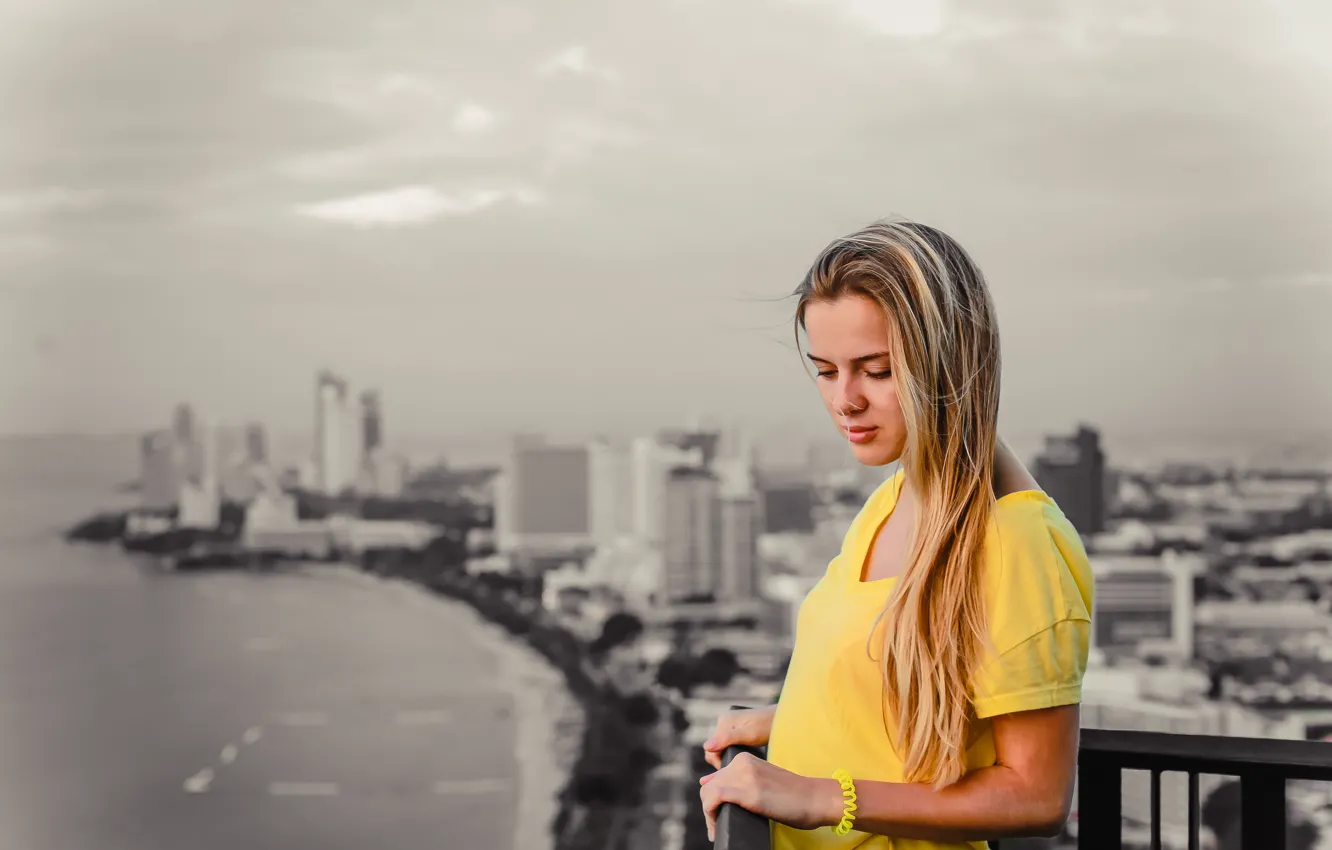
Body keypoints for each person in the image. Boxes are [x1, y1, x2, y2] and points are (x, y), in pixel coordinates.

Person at [698, 219, 1094, 849]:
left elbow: (1036, 795)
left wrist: (812, 795)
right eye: (826, 370)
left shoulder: (1019, 543)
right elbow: (891, 689)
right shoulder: (895, 499)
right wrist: (785, 723)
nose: (844, 400)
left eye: (876, 370)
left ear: (950, 363)